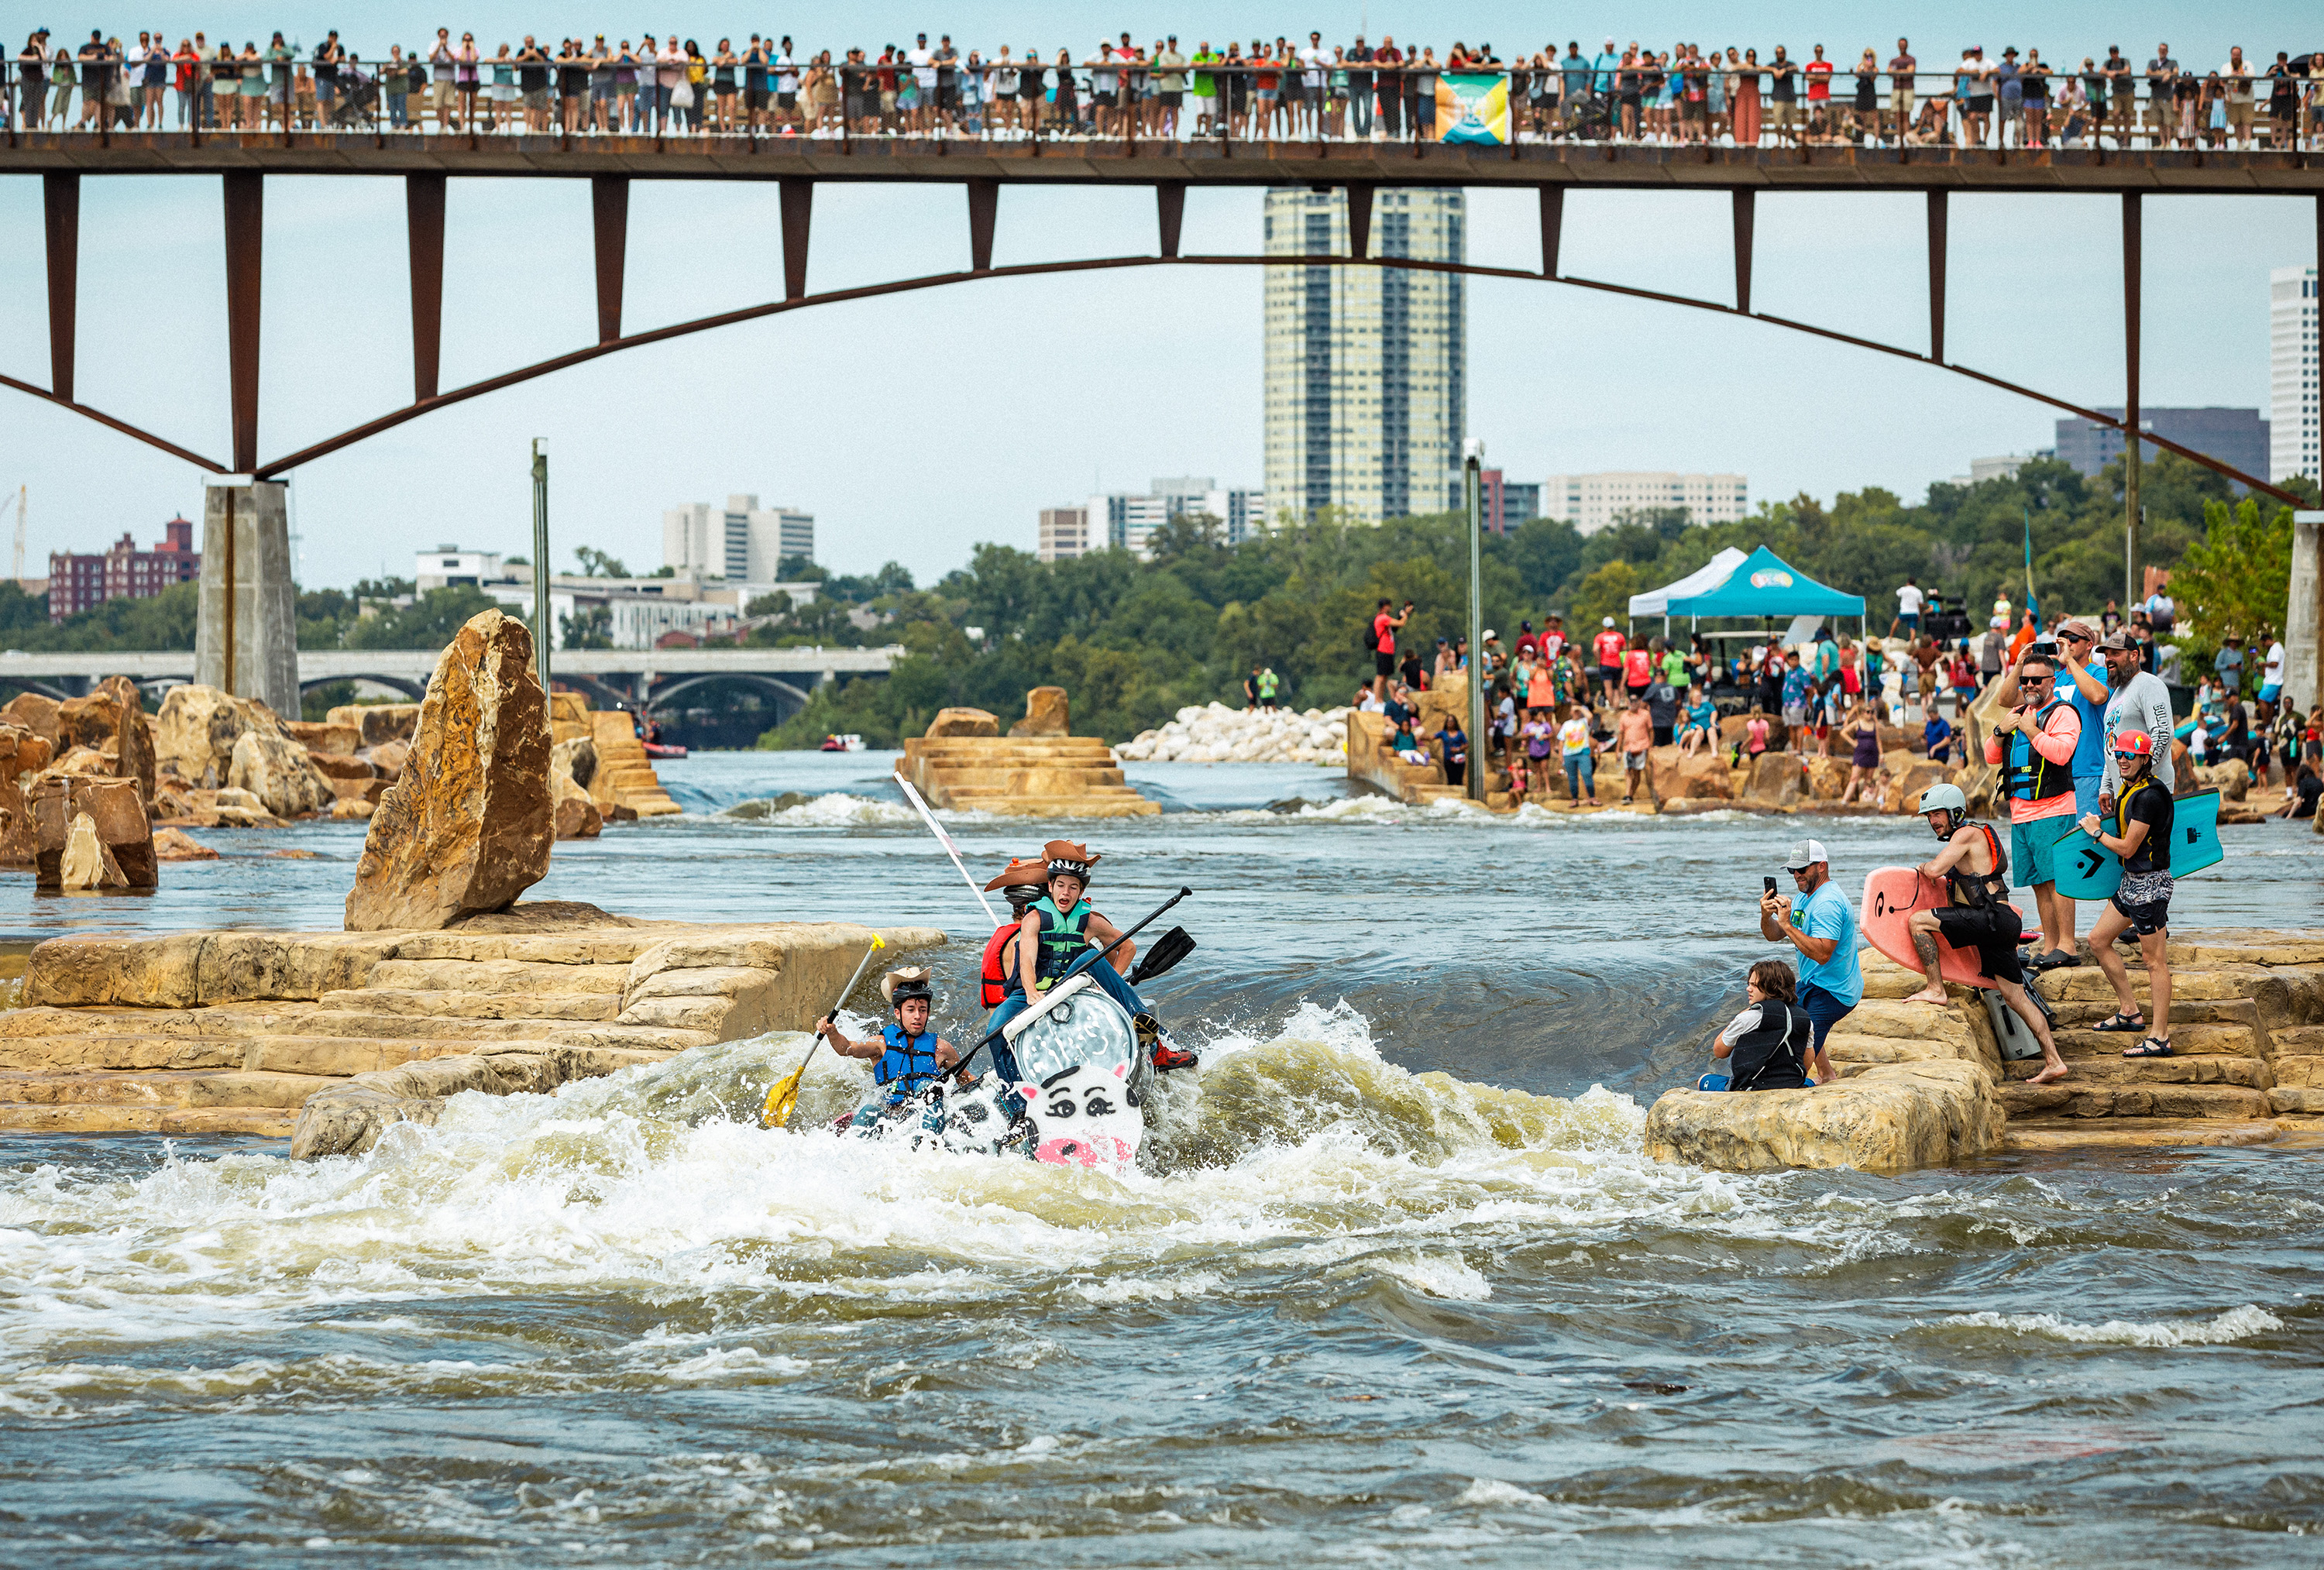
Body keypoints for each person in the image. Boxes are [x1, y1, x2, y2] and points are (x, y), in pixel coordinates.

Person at [1900, 783, 2068, 1084]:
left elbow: (1936, 869)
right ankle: (2054, 1061)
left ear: (1955, 812)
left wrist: (1923, 867)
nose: (1933, 821)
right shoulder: (1974, 836)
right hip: (2002, 923)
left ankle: (1935, 988)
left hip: (1988, 919)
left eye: (1937, 814)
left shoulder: (1966, 834)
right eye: (1929, 816)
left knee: (1917, 922)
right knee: (2016, 997)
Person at [995, 840, 1197, 1074]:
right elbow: (1027, 960)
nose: (1066, 892)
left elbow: (1127, 947)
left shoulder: (1090, 921)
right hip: (1032, 992)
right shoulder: (1034, 918)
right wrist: (1031, 992)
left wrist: (1109, 984)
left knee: (1090, 957)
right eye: (1061, 885)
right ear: (1051, 887)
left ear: (1081, 892)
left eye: (1073, 887)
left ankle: (1153, 1044)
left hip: (1069, 986)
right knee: (995, 1029)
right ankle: (1015, 1094)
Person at [2077, 731, 2177, 1060]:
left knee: (2154, 961)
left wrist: (2096, 832)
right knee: (2098, 940)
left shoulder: (2150, 796)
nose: (2123, 759)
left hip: (2150, 886)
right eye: (2119, 754)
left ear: (2146, 759)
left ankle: (2160, 1037)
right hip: (2131, 882)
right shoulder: (2130, 788)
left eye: (2130, 756)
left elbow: (2127, 846)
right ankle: (2130, 1011)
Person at [1985, 644, 2083, 971]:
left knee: (2057, 880)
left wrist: (2030, 729)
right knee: (2040, 883)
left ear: (2052, 682)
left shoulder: (2063, 713)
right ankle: (2051, 943)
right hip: (2021, 813)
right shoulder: (2019, 713)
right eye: (2025, 680)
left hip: (2053, 810)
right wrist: (2002, 730)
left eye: (2037, 681)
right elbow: (1991, 755)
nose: (2029, 686)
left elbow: (2060, 754)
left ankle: (2067, 945)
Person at [1758, 839, 1859, 1086]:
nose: (1796, 876)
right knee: (1790, 1017)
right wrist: (1766, 916)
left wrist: (1787, 924)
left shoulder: (1828, 903)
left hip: (1835, 991)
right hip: (1813, 982)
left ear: (1822, 866)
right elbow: (1773, 935)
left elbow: (1823, 954)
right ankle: (1826, 1075)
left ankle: (1786, 1082)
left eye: (1802, 870)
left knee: (1802, 1035)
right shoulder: (1805, 898)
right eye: (1793, 870)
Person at [816, 968, 961, 1135]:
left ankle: (930, 1147)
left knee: (927, 1087)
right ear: (898, 1013)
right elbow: (846, 1048)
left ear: (928, 1013)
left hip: (927, 1125)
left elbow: (967, 1081)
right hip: (892, 1123)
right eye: (910, 1009)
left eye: (922, 1010)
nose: (917, 1016)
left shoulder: (942, 1049)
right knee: (870, 1110)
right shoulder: (881, 1044)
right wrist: (832, 1033)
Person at [1707, 960, 1815, 1091]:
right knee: (1810, 1082)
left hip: (1750, 1088)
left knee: (1705, 1079)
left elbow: (1719, 1051)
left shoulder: (1748, 1018)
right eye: (1749, 984)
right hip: (1792, 1086)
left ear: (1771, 987)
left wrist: (1743, 1013)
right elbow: (1807, 1062)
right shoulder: (1805, 1019)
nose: (1748, 988)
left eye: (1754, 985)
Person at [1607, 692, 1654, 806]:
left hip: (1642, 746)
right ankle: (1628, 794)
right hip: (1628, 747)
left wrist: (1650, 746)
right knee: (1628, 771)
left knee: (1637, 773)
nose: (1633, 703)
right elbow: (1621, 734)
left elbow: (1651, 731)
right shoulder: (1624, 716)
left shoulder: (1645, 714)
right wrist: (1617, 750)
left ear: (1639, 702)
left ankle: (1630, 795)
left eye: (1635, 701)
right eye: (1631, 701)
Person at [1370, 597, 1409, 701]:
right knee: (1380, 677)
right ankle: (1377, 700)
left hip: (1388, 650)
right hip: (1382, 650)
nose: (1390, 608)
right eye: (1389, 605)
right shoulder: (1382, 618)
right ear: (1384, 606)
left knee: (1385, 676)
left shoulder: (1385, 618)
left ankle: (1380, 699)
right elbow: (1401, 623)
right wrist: (1405, 615)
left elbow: (1395, 627)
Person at [1558, 702, 1597, 803]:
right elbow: (1561, 741)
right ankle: (1574, 799)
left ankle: (1592, 797)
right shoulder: (1566, 724)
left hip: (1583, 753)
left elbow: (1590, 716)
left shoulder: (1584, 722)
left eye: (1577, 711)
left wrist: (1580, 707)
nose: (1576, 713)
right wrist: (1560, 755)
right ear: (1570, 712)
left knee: (1587, 774)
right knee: (1572, 778)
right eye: (1574, 711)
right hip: (1569, 754)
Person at [1593, 617, 1626, 707]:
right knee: (1619, 686)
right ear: (1614, 626)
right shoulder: (1620, 636)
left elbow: (1595, 650)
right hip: (1618, 664)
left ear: (1604, 626)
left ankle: (1611, 706)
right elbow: (1624, 650)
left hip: (1605, 664)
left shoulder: (1600, 637)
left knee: (1608, 688)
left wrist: (1598, 661)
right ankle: (1621, 702)